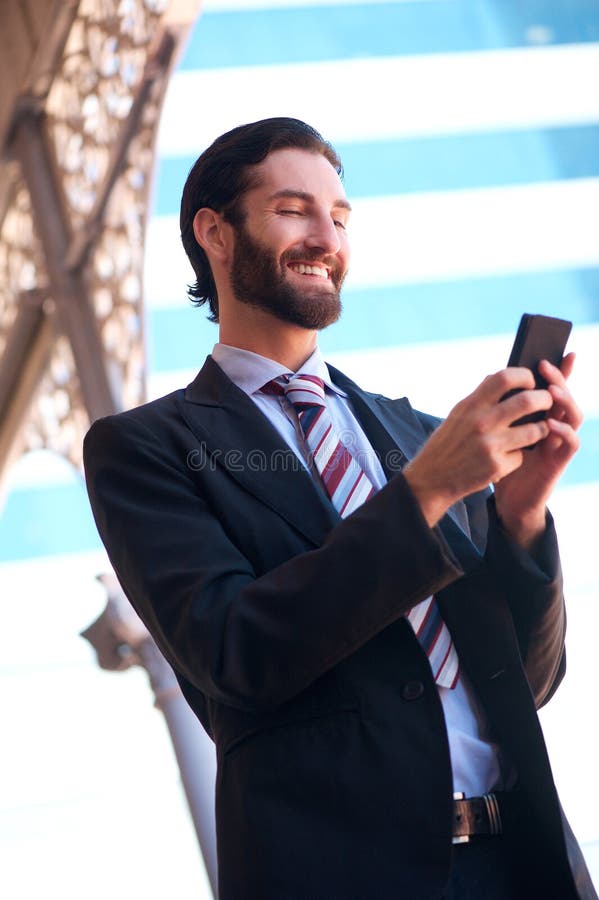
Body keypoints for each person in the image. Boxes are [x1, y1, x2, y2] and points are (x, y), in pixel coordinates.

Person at [83, 117, 596, 900]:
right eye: (293, 210)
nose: (327, 238)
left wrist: (521, 517)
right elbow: (236, 653)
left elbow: (524, 681)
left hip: (521, 868)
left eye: (341, 217)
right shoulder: (145, 448)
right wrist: (424, 494)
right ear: (214, 233)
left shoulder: (419, 434)